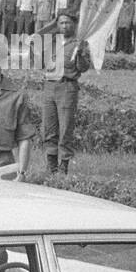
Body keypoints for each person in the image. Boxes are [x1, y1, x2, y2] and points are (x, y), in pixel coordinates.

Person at [42, 13, 90, 174]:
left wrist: (81, 54)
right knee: (49, 127)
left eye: (68, 23)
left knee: (65, 127)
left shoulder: (79, 44)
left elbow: (83, 68)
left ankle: (63, 166)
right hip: (50, 86)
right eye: (61, 23)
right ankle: (51, 165)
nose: (64, 26)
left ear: (74, 25)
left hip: (67, 87)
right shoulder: (51, 42)